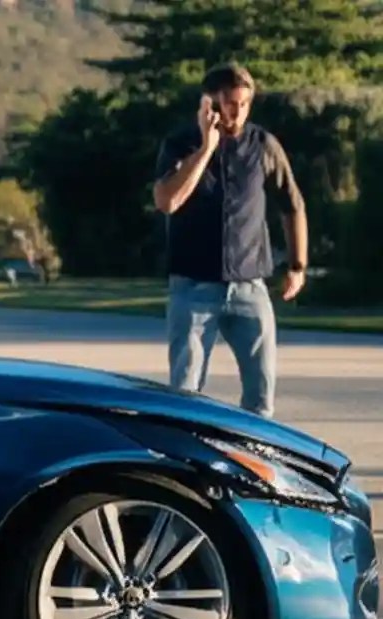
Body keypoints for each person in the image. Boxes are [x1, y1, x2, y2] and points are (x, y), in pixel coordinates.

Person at [152, 61, 308, 418]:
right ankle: (188, 469)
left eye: (244, 104)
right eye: (229, 103)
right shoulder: (179, 144)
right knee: (185, 396)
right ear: (209, 103)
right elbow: (167, 201)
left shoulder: (263, 145)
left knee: (261, 397)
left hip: (250, 287)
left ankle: (252, 469)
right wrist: (207, 148)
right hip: (193, 287)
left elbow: (292, 203)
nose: (236, 112)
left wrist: (297, 265)